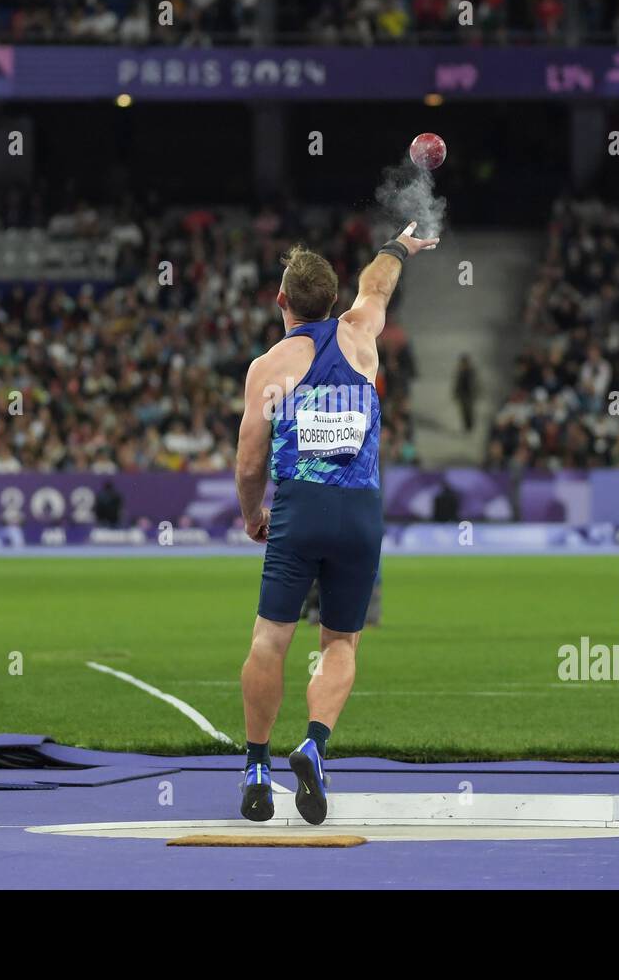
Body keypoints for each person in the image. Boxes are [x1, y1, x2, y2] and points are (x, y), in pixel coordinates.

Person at [235, 220, 438, 825]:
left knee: (270, 640)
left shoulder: (269, 367)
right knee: (342, 642)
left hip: (298, 510)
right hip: (359, 514)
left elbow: (249, 464)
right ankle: (315, 746)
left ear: (281, 301)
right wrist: (402, 244)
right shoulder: (360, 334)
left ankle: (255, 768)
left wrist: (254, 516)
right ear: (333, 301)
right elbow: (377, 284)